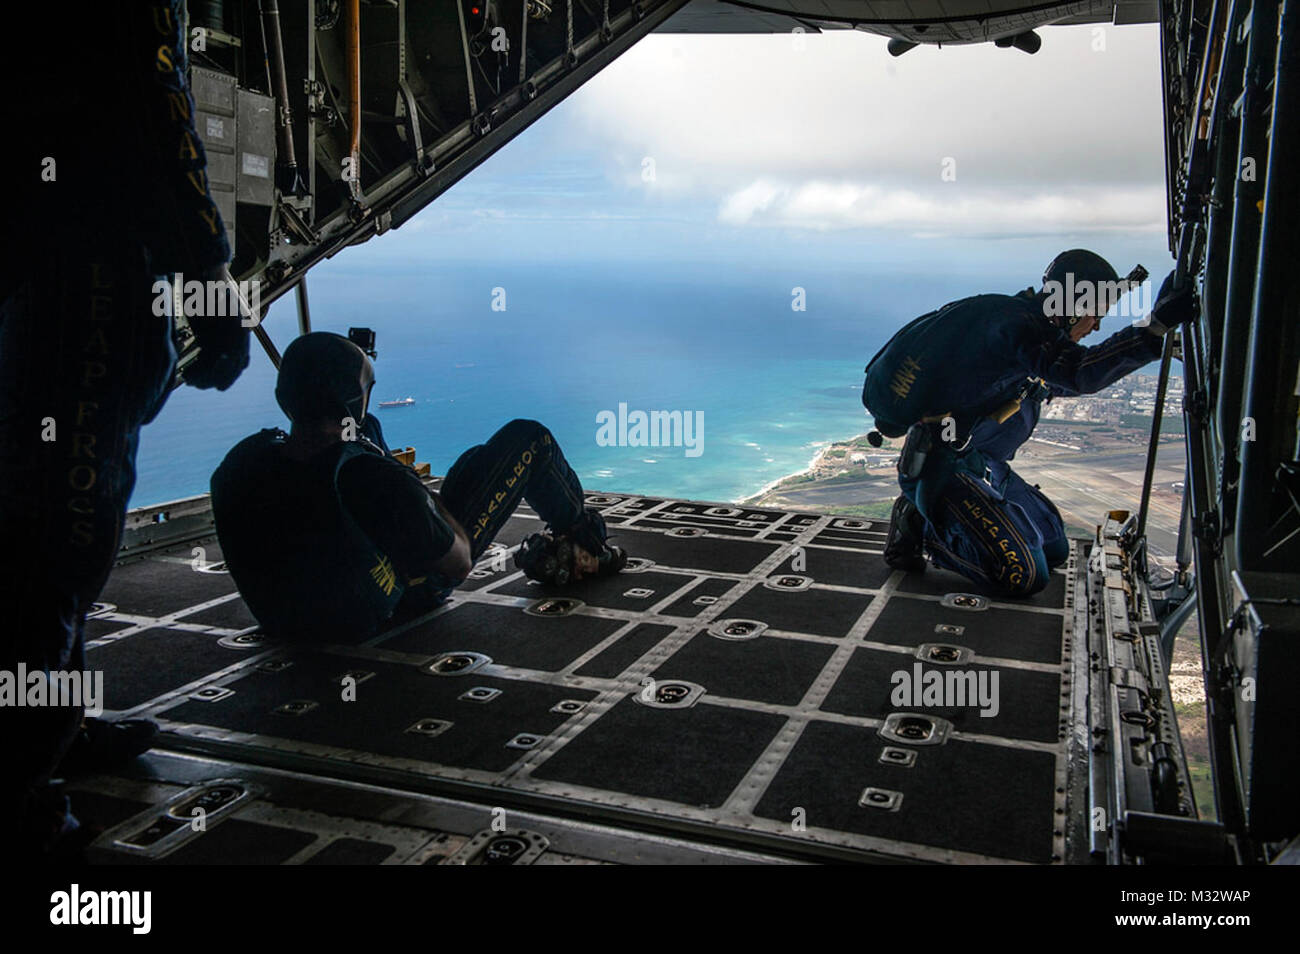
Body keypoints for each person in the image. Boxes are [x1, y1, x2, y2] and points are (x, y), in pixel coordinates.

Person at [0, 0, 250, 856]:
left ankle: (53, 734)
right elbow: (161, 113)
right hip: (85, 275)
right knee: (58, 541)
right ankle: (24, 799)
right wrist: (215, 290)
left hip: (34, 267)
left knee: (34, 537)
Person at [210, 332, 627, 642]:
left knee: (472, 460)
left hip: (293, 617)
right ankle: (589, 543)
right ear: (352, 400)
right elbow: (458, 562)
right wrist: (407, 482)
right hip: (399, 598)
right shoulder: (371, 476)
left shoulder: (243, 462)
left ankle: (577, 543)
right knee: (526, 439)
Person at [862, 249, 1196, 597]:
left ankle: (928, 513)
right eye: (1095, 314)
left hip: (981, 465)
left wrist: (1148, 345)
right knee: (1022, 573)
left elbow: (1050, 382)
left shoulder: (1025, 329)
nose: (1095, 325)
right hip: (942, 467)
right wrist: (1151, 331)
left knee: (1054, 548)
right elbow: (1075, 372)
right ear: (1073, 307)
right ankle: (920, 524)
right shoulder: (1014, 326)